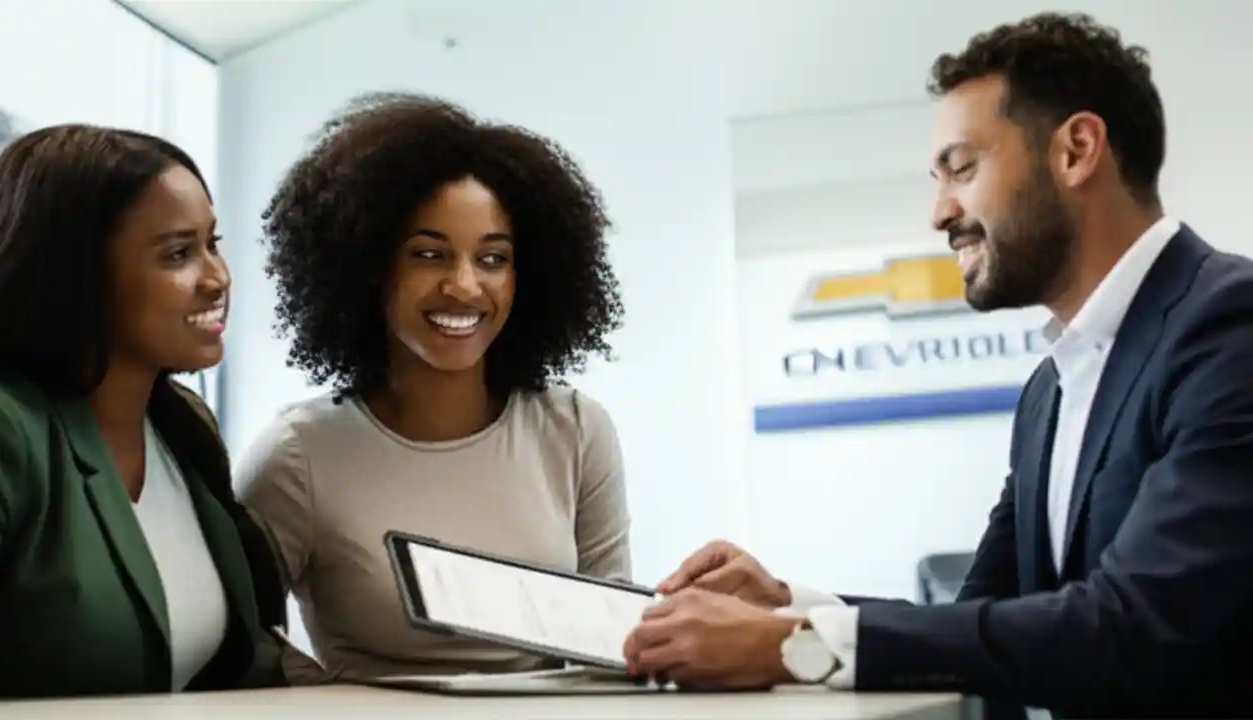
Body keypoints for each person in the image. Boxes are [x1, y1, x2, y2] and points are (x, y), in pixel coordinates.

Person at [623, 12, 1253, 718]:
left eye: (962, 168)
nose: (939, 211)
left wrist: (789, 644)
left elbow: (1134, 628)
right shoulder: (1051, 390)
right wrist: (787, 606)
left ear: (1076, 150)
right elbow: (985, 618)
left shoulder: (1231, 326)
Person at [238, 92, 632, 682]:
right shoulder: (298, 454)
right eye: (429, 255)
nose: (465, 286)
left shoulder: (574, 430)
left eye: (493, 259)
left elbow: (617, 638)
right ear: (369, 267)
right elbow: (239, 634)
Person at [0, 125, 285, 699]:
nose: (217, 278)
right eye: (178, 254)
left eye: (213, 243)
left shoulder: (182, 424)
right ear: (77, 272)